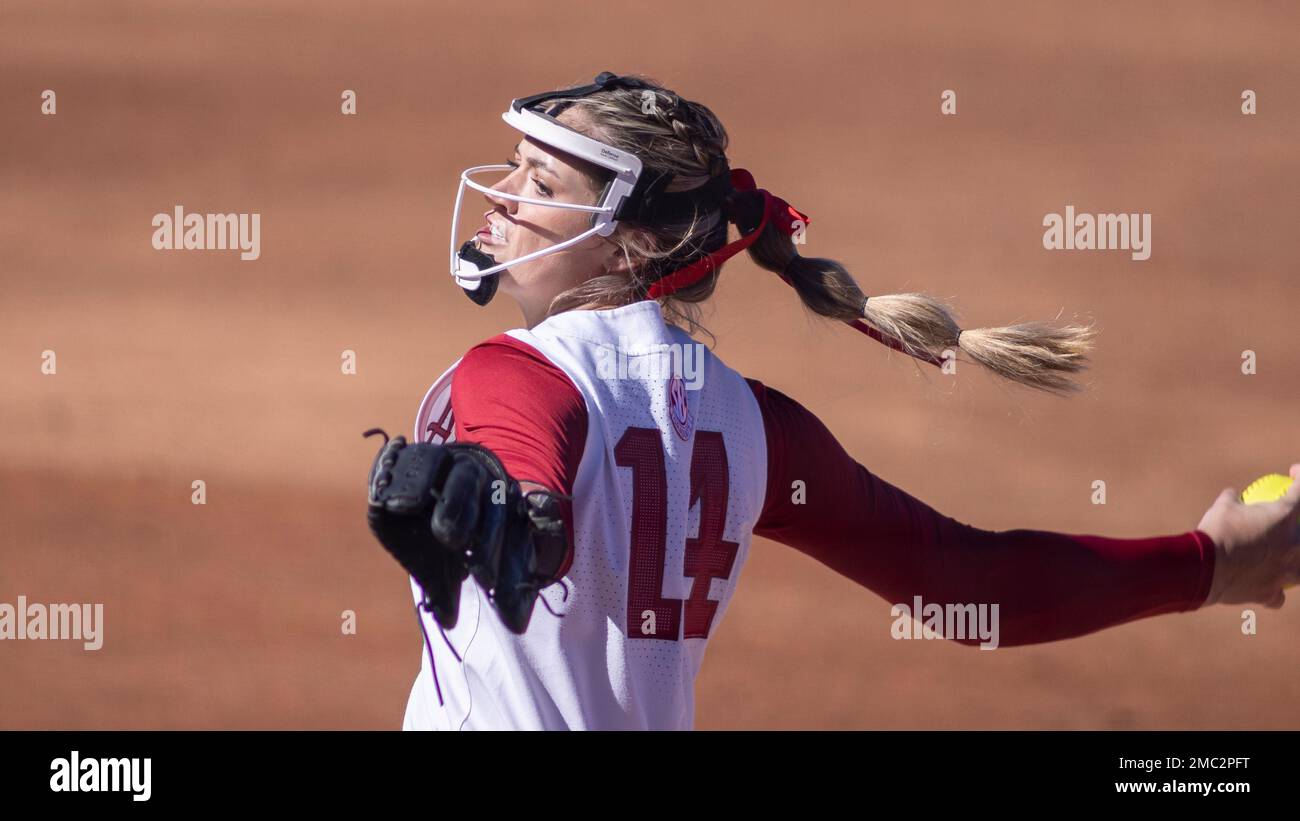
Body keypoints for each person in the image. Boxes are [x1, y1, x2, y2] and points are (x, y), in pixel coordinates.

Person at [365, 72, 1300, 731]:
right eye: (516, 164)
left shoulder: (511, 370)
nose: (503, 198)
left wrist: (514, 505)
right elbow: (966, 580)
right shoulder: (754, 427)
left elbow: (523, 451)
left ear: (627, 246)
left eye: (541, 181)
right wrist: (1208, 564)